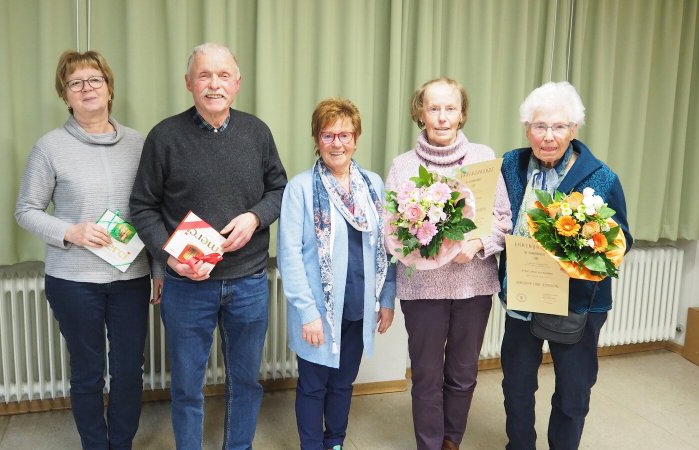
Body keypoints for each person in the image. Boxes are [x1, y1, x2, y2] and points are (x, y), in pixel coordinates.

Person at [128, 42, 287, 450]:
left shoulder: (257, 132)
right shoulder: (164, 137)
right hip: (186, 285)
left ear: (237, 83)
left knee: (246, 382)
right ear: (188, 83)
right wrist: (171, 258)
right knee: (186, 386)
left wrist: (255, 217)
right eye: (204, 75)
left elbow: (279, 189)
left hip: (249, 281)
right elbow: (143, 207)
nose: (213, 84)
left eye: (222, 76)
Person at [15, 50, 158, 450]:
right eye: (75, 83)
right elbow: (25, 210)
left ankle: (122, 444)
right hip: (74, 281)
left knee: (130, 370)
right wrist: (70, 231)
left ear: (110, 89)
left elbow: (153, 210)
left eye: (94, 80)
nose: (86, 88)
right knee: (88, 371)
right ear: (66, 96)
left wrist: (159, 270)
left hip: (131, 278)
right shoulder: (50, 147)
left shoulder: (139, 143)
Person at [498, 81, 633, 450]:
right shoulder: (512, 164)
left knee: (573, 392)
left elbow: (622, 240)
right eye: (540, 126)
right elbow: (495, 216)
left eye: (558, 127)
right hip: (522, 296)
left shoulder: (601, 177)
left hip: (578, 304)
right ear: (527, 129)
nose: (548, 136)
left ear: (574, 130)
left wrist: (583, 251)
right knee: (516, 386)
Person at [385, 78, 512, 450]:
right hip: (421, 289)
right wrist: (424, 245)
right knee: (426, 375)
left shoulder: (483, 158)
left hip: (473, 284)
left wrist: (478, 242)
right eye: (434, 108)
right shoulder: (403, 166)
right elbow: (388, 227)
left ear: (462, 114)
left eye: (450, 109)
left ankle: (451, 442)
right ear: (420, 113)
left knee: (462, 373)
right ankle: (429, 445)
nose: (442, 117)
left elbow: (503, 218)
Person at [277, 98, 397, 450]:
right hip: (318, 311)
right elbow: (289, 255)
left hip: (360, 307)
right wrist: (307, 312)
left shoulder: (373, 185)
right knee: (313, 386)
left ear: (357, 138)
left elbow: (389, 248)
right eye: (328, 135)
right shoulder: (300, 188)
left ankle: (336, 443)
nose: (337, 143)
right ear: (316, 139)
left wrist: (386, 298)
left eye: (345, 134)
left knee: (343, 384)